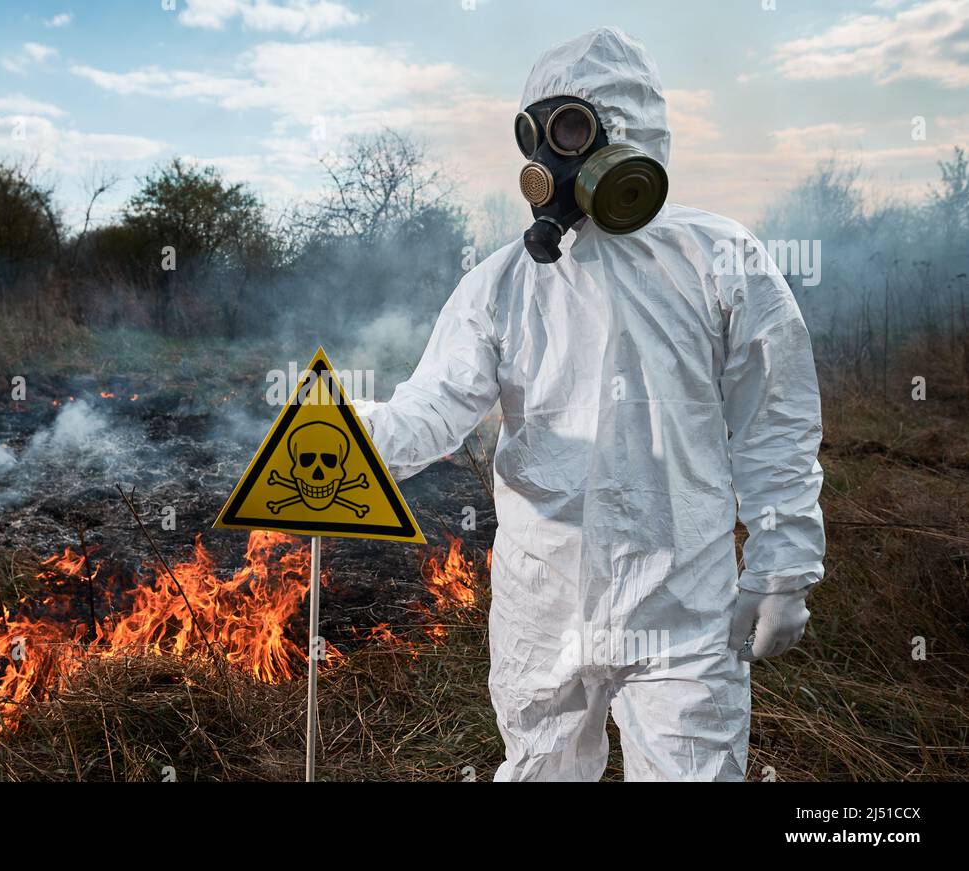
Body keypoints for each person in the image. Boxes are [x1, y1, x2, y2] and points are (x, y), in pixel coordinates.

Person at [353, 26, 825, 781]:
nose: (551, 160)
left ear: (627, 131)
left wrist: (782, 566)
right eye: (535, 136)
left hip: (681, 611)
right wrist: (350, 433)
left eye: (569, 128)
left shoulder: (722, 262)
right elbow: (436, 406)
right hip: (543, 610)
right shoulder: (502, 284)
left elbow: (776, 426)